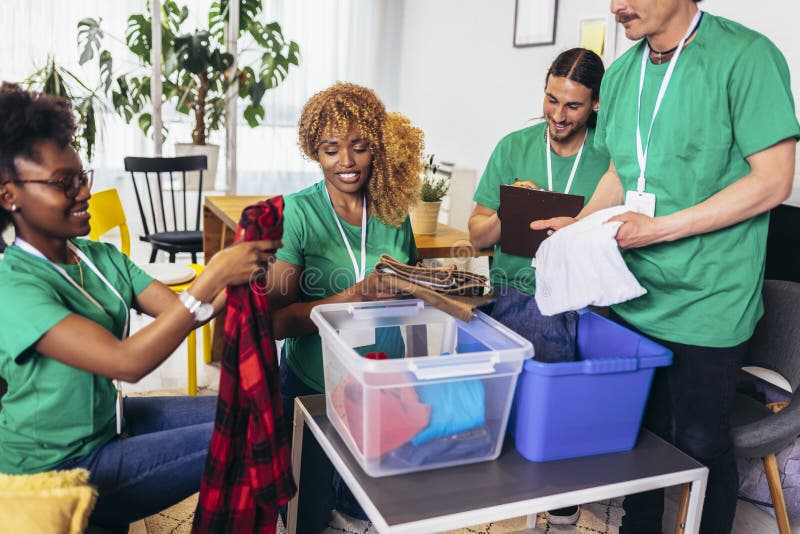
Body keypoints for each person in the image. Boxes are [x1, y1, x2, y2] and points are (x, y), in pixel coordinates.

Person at [533, 1, 799, 532]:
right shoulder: (625, 71)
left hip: (709, 299)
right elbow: (619, 168)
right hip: (633, 293)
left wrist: (661, 228)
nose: (616, 6)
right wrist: (582, 226)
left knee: (700, 443)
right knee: (640, 440)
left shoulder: (746, 56)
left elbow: (774, 181)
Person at [0, 82, 281, 532]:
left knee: (258, 406)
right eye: (63, 183)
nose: (83, 192)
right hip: (58, 470)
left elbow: (190, 313)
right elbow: (127, 363)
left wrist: (243, 277)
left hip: (110, 425)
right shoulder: (11, 288)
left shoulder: (98, 257)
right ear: (9, 196)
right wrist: (212, 275)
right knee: (246, 432)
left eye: (82, 176)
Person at [265, 82, 424, 532]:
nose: (347, 163)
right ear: (314, 150)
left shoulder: (394, 211)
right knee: (304, 517)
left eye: (359, 147)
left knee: (361, 512)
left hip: (379, 382)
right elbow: (277, 322)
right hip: (313, 385)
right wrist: (353, 296)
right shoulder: (297, 213)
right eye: (331, 149)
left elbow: (411, 289)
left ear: (376, 144)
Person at [468, 48, 608, 525]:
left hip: (583, 291)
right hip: (516, 289)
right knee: (541, 323)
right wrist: (512, 209)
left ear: (594, 105)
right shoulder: (515, 146)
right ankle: (549, 487)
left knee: (562, 324)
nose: (557, 115)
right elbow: (475, 235)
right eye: (551, 100)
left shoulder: (609, 157)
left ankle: (546, 480)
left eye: (572, 106)